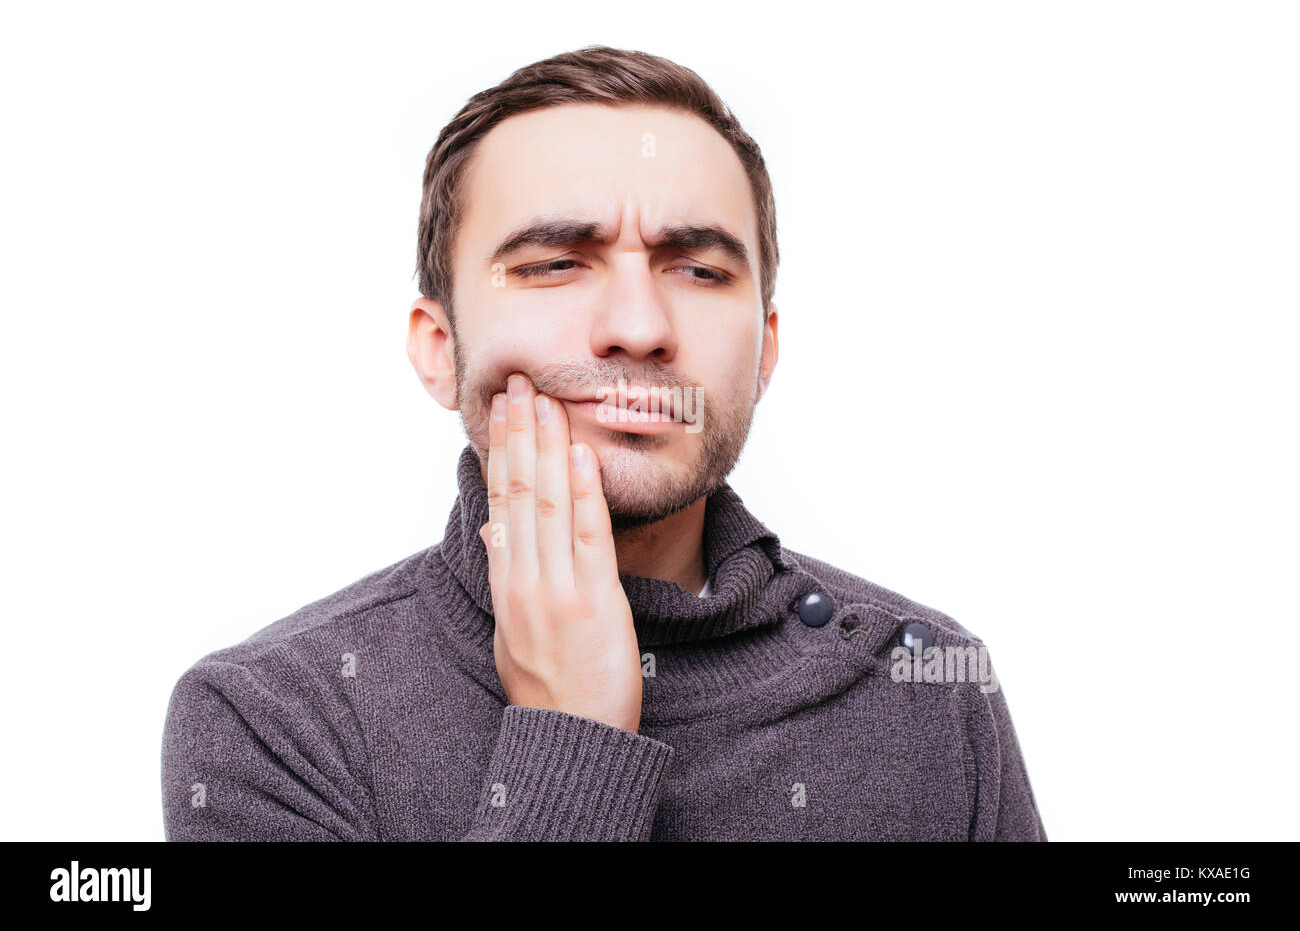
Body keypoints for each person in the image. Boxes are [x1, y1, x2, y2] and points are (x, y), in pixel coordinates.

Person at [161, 45, 1047, 841]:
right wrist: (572, 738)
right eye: (554, 263)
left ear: (765, 350)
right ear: (439, 350)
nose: (639, 326)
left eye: (699, 270)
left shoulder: (931, 689)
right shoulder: (272, 719)